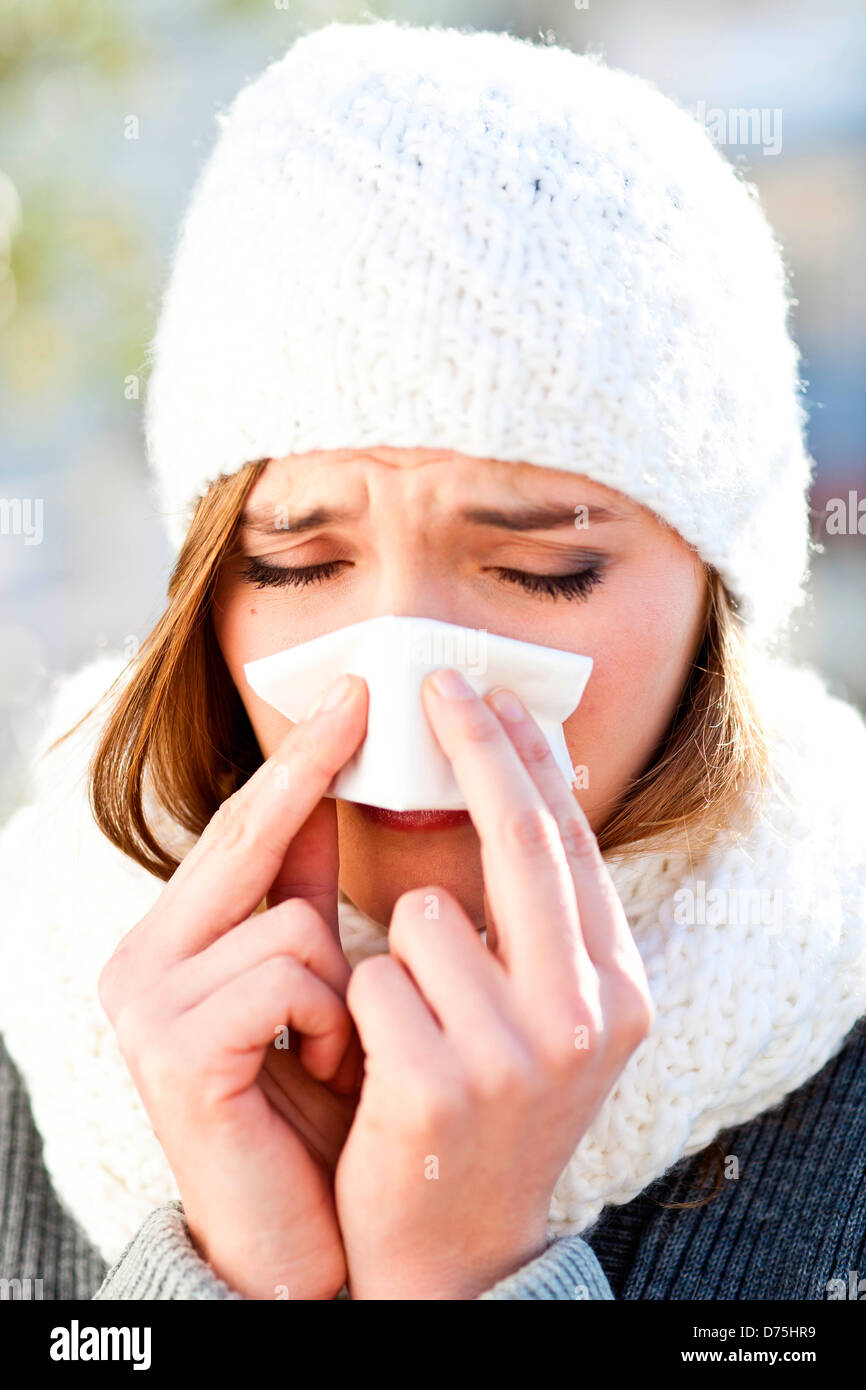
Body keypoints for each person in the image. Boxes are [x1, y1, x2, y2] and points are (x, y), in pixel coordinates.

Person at [1, 18, 864, 1301]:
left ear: (717, 601)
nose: (406, 706)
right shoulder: (42, 1011)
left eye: (539, 569)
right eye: (297, 563)